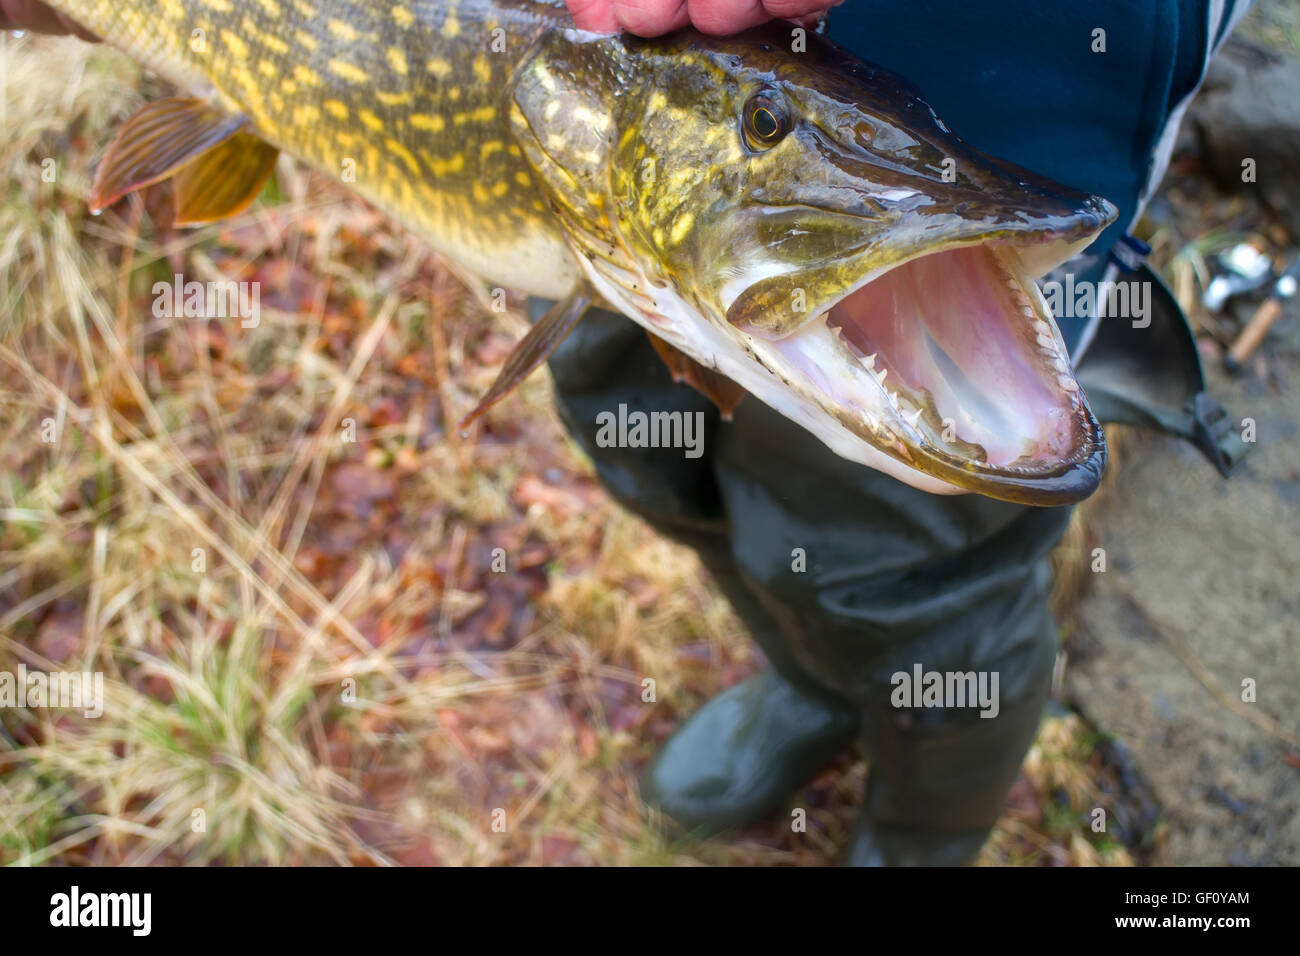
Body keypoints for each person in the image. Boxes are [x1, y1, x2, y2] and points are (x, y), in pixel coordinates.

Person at [8, 0, 1253, 865]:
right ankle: (810, 683)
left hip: (1009, 86)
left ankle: (920, 836)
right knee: (653, 456)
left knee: (917, 578)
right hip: (604, 139)